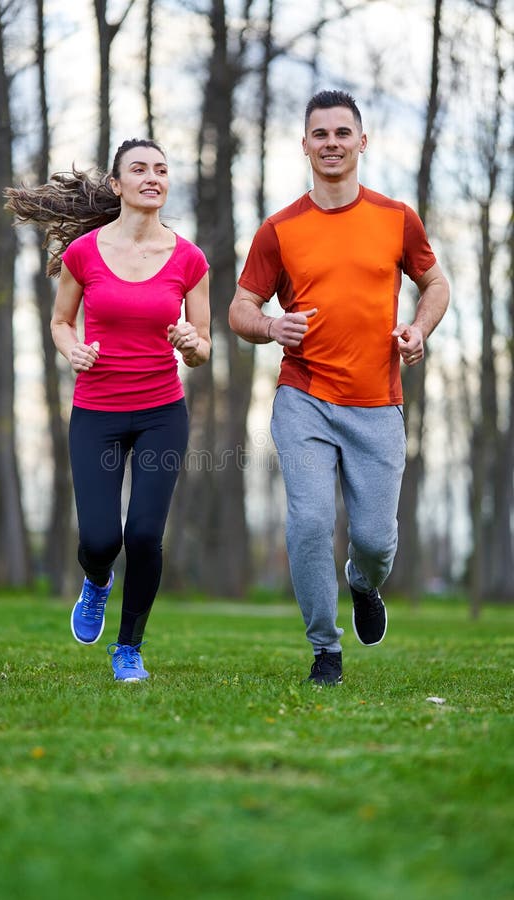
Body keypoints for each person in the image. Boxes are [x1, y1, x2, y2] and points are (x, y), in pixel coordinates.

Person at [228, 90, 449, 686]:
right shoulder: (280, 230)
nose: (331, 143)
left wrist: (417, 329)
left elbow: (436, 284)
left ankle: (362, 582)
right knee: (307, 522)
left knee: (376, 540)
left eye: (341, 133)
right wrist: (273, 325)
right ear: (304, 145)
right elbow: (240, 307)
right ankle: (326, 649)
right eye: (319, 134)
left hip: (378, 403)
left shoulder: (396, 218)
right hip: (304, 398)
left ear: (362, 141)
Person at [5, 139, 211, 682]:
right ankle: (96, 582)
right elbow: (59, 321)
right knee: (101, 539)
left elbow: (204, 344)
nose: (153, 177)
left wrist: (190, 342)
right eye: (139, 169)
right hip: (96, 412)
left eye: (162, 170)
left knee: (144, 534)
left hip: (162, 413)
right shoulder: (86, 253)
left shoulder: (189, 259)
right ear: (116, 185)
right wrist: (71, 348)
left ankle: (129, 648)